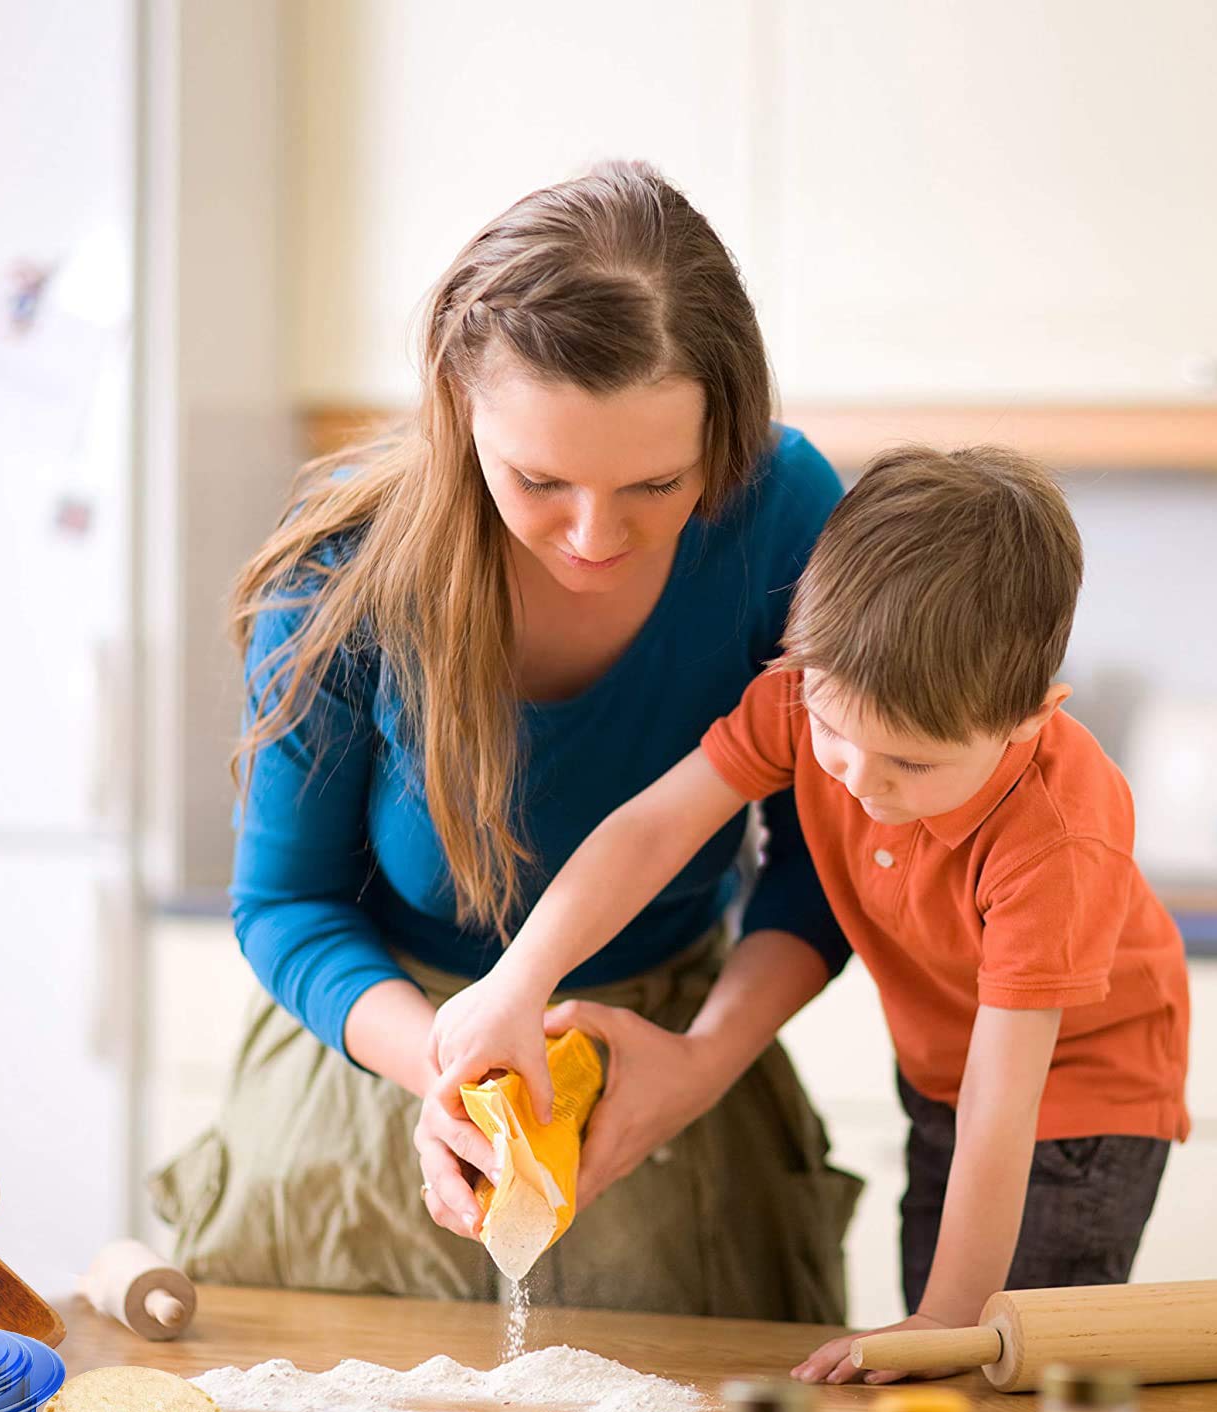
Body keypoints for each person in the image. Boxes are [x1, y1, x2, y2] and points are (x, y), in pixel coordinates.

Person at [149, 160, 862, 1320]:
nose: (593, 536)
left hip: (668, 1078)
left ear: (724, 436)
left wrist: (701, 1064)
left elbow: (829, 864)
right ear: (458, 407)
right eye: (538, 479)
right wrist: (445, 1065)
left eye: (655, 484)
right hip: (376, 1083)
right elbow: (286, 906)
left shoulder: (781, 514)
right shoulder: (343, 568)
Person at [429, 444, 1189, 1373]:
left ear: (1030, 718)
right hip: (946, 1082)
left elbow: (1007, 1094)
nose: (861, 781)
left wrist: (948, 1316)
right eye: (831, 732)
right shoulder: (806, 692)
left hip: (1077, 1107)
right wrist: (521, 979)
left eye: (912, 763)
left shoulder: (1057, 838)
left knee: (1001, 1363)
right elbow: (651, 830)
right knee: (939, 1353)